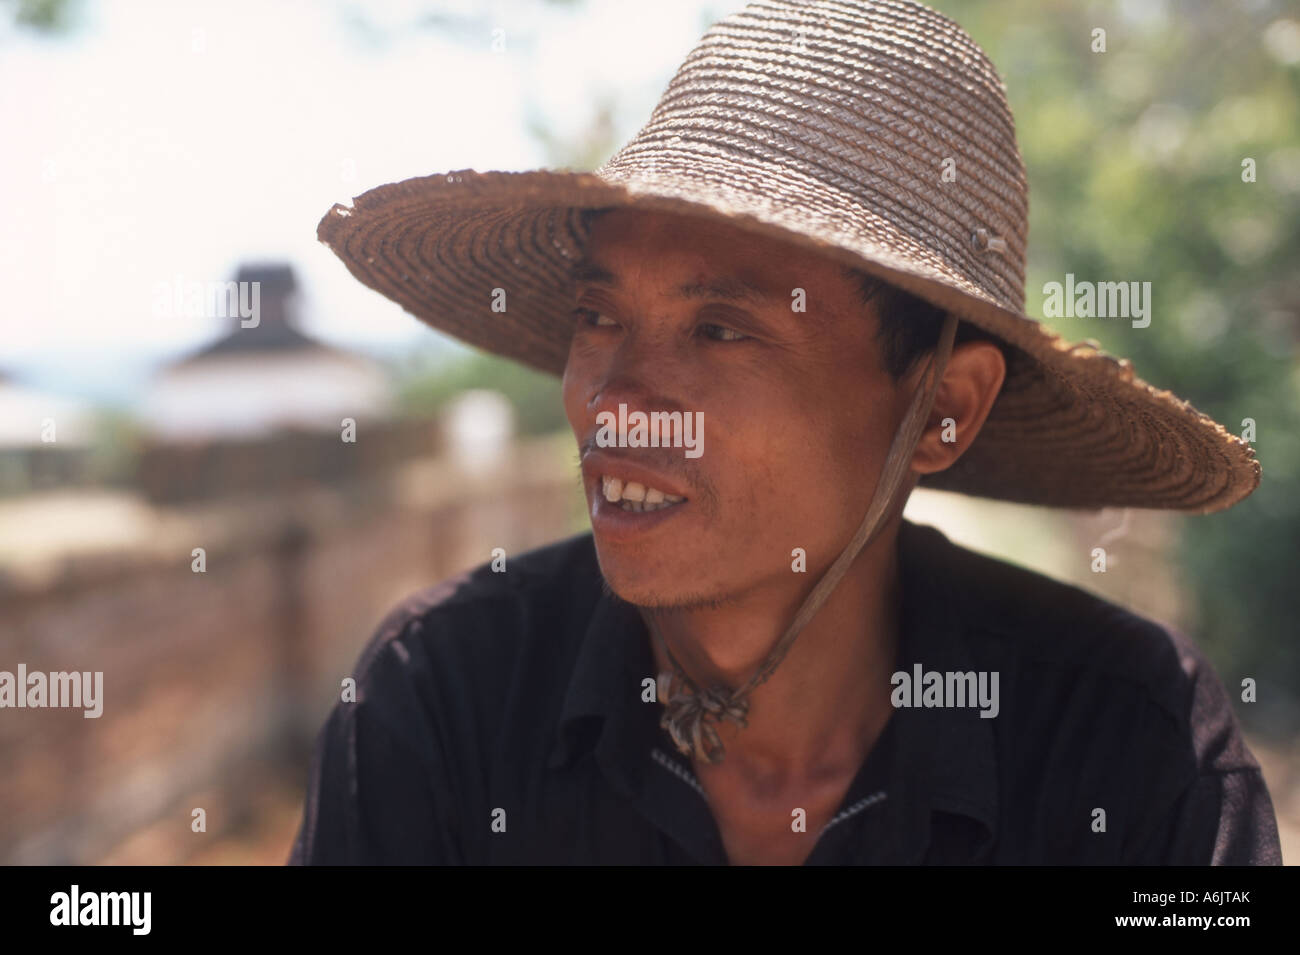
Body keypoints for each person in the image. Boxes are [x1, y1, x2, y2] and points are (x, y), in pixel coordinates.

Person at [289, 0, 1280, 865]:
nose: (613, 402)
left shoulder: (1126, 746)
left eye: (719, 330)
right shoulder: (442, 702)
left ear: (943, 407)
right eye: (600, 318)